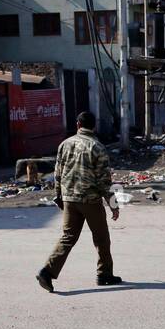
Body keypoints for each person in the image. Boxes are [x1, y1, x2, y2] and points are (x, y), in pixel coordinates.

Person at [36, 111, 122, 293]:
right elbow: (105, 180)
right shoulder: (97, 147)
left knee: (68, 237)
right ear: (94, 126)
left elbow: (57, 174)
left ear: (77, 125)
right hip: (89, 200)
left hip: (69, 199)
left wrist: (58, 196)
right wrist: (113, 204)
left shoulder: (64, 144)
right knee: (101, 238)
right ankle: (104, 273)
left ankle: (47, 272)